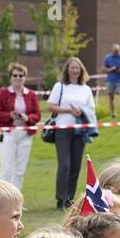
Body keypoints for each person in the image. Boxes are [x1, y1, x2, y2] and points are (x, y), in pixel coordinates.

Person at [45, 57, 97, 209]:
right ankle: (60, 198)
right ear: (67, 70)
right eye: (72, 68)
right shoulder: (59, 86)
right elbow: (50, 106)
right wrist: (68, 109)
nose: (75, 70)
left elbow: (91, 109)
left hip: (80, 131)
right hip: (62, 129)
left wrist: (81, 111)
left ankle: (69, 198)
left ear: (81, 70)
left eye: (77, 68)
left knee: (75, 166)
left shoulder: (86, 89)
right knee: (64, 165)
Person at [0, 62, 41, 190]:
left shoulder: (31, 94)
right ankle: (3, 200)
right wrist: (9, 115)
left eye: (21, 75)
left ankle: (16, 200)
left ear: (25, 77)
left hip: (26, 134)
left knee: (20, 171)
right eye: (15, 75)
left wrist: (27, 118)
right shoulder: (3, 93)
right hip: (8, 133)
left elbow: (37, 115)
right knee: (6, 170)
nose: (18, 78)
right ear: (10, 77)